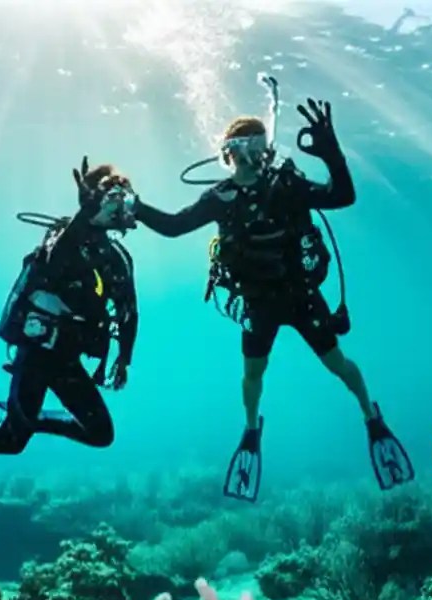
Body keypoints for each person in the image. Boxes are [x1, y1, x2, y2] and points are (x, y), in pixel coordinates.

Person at [133, 97, 412, 495]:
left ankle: (371, 415)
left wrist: (331, 152)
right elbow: (176, 226)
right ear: (229, 154)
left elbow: (342, 196)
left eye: (260, 146)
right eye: (247, 147)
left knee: (338, 364)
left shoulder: (287, 184)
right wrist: (135, 206)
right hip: (257, 303)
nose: (256, 155)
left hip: (300, 295)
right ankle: (250, 427)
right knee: (253, 374)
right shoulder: (220, 197)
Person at [0, 157, 140, 478]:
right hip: (35, 355)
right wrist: (84, 216)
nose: (119, 209)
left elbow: (129, 311)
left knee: (101, 434)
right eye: (110, 200)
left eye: (125, 199)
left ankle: (31, 419)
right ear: (89, 202)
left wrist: (124, 359)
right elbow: (57, 261)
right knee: (11, 442)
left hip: (68, 360)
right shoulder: (62, 242)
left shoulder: (116, 259)